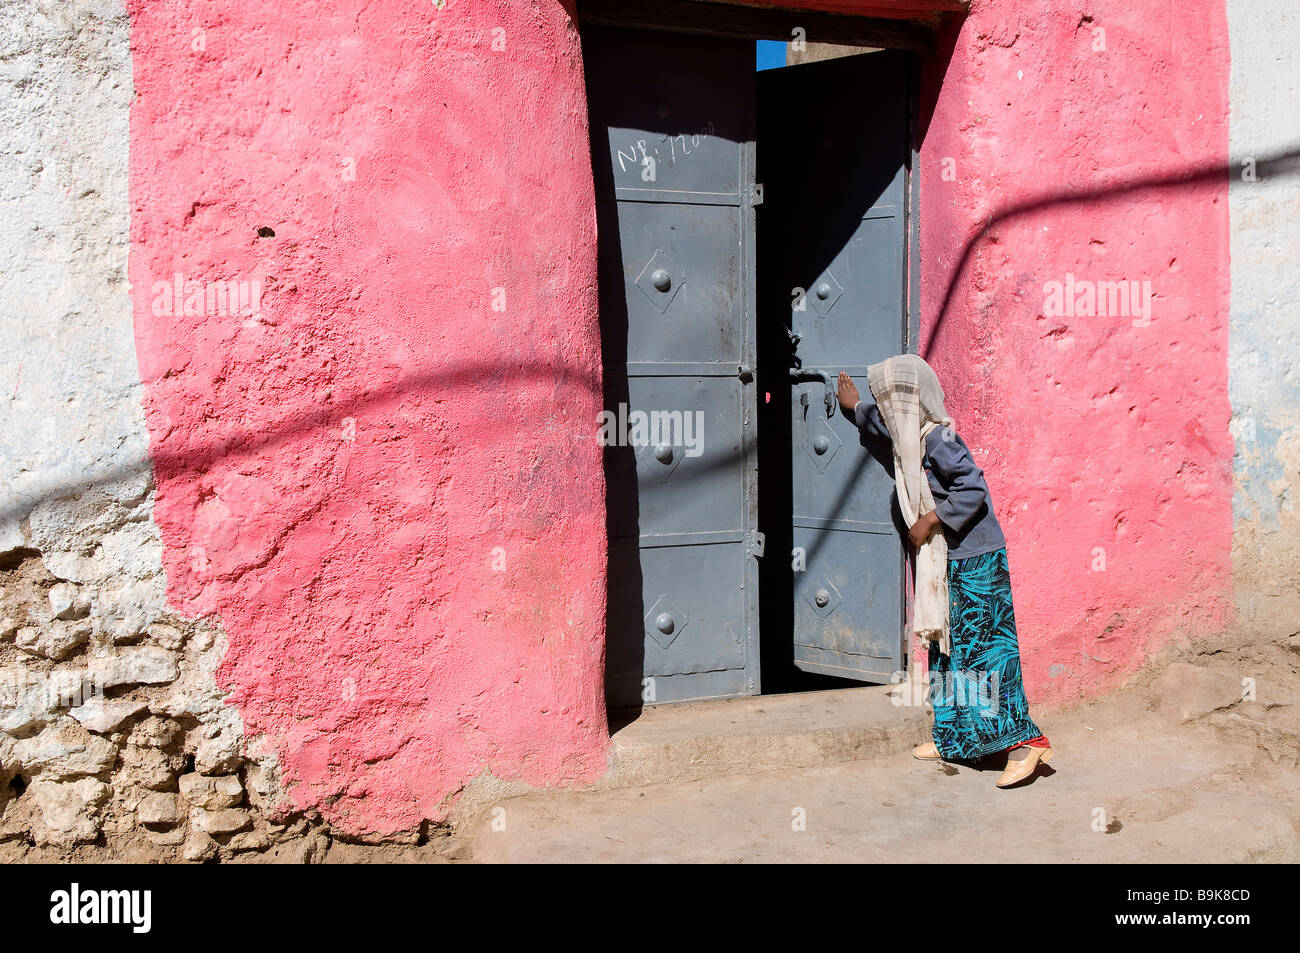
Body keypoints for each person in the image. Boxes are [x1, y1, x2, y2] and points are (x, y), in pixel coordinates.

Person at [836, 356, 1053, 788]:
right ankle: (953, 737)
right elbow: (881, 432)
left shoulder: (939, 438)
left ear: (910, 401)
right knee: (946, 650)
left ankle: (1024, 745)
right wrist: (856, 409)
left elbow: (972, 489)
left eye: (888, 400)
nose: (883, 410)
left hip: (976, 559)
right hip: (945, 561)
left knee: (986, 653)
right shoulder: (909, 440)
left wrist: (929, 520)